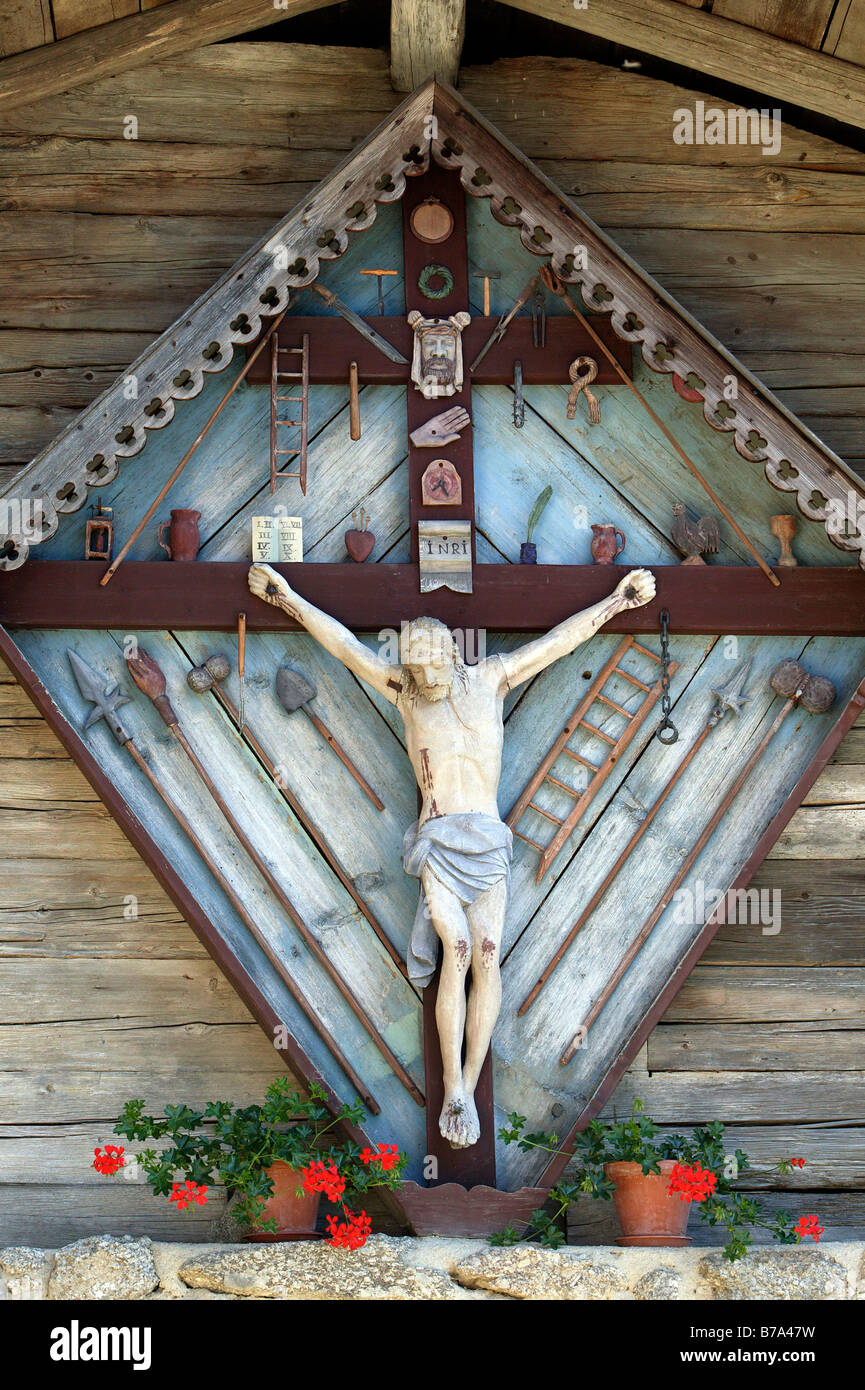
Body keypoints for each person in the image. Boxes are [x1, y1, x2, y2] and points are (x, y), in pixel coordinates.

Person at [248, 562, 656, 1147]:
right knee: (456, 949)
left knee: (488, 956)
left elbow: (559, 644)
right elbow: (345, 647)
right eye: (415, 666)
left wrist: (618, 602)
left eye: (432, 663)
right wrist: (289, 601)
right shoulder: (408, 695)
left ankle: (465, 1083)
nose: (424, 674)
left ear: (448, 654)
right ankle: (455, 1094)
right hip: (438, 841)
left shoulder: (491, 678)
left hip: (488, 839)